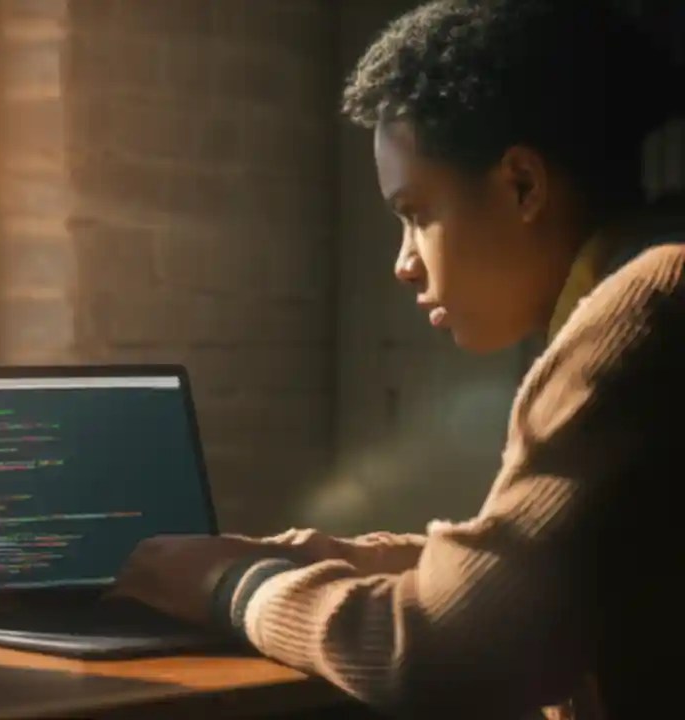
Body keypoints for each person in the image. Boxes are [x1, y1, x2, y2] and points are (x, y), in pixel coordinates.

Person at [109, 1, 684, 718]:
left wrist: (231, 586)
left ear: (523, 186)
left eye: (415, 214)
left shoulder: (649, 305)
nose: (404, 265)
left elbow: (453, 649)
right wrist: (328, 556)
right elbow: (538, 576)